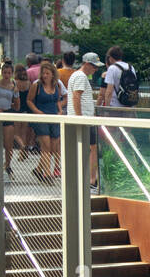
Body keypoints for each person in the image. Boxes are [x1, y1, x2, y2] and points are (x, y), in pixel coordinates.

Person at [68, 52, 104, 191]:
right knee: (92, 149)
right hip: (84, 120)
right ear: (87, 64)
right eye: (94, 67)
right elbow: (76, 97)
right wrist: (80, 118)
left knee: (87, 149)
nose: (96, 70)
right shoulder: (81, 76)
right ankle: (91, 181)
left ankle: (87, 180)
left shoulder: (77, 76)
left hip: (84, 118)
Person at [27, 60, 67, 183]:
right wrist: (37, 111)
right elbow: (29, 100)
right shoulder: (37, 85)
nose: (45, 76)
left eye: (47, 73)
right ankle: (47, 173)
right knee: (46, 146)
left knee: (54, 146)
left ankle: (39, 169)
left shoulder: (57, 86)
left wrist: (60, 110)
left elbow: (58, 100)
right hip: (41, 118)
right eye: (43, 73)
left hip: (54, 117)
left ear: (52, 74)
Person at [0, 62, 19, 178]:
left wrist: (16, 95)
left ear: (12, 74)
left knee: (8, 143)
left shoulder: (14, 86)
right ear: (1, 73)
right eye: (4, 72)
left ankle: (8, 164)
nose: (6, 75)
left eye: (9, 73)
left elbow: (17, 106)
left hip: (7, 112)